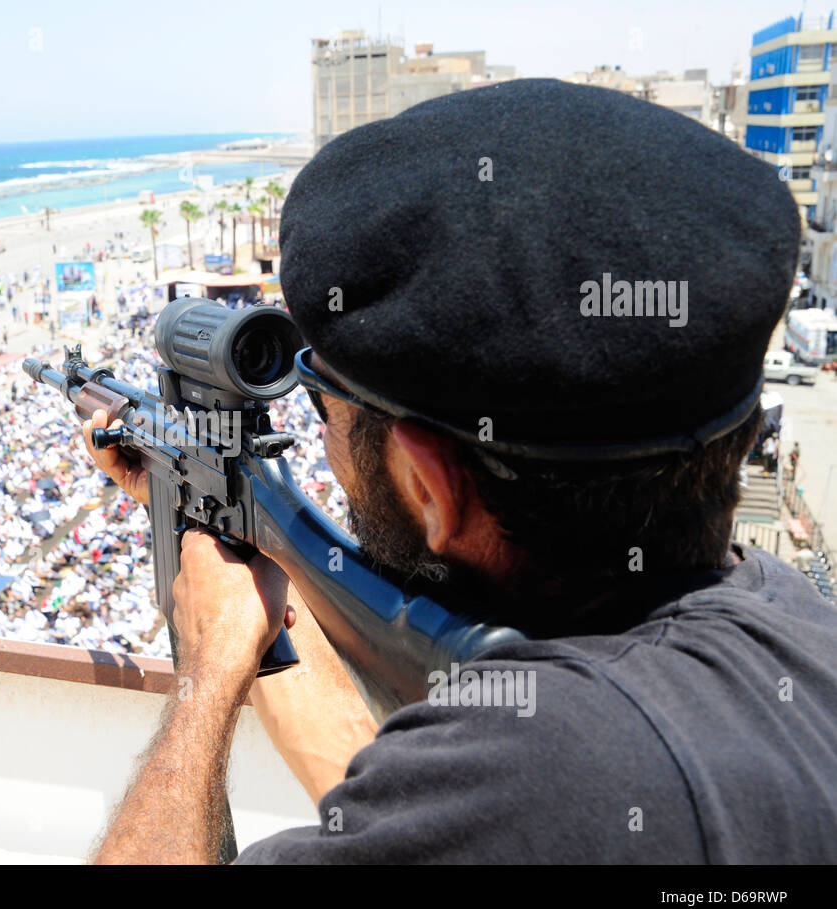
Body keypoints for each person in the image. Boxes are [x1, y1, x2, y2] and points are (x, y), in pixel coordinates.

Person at [81, 80, 837, 864]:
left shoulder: (542, 780)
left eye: (322, 405)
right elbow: (396, 796)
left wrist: (207, 673)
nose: (325, 450)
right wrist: (254, 572)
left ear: (429, 485)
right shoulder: (794, 629)